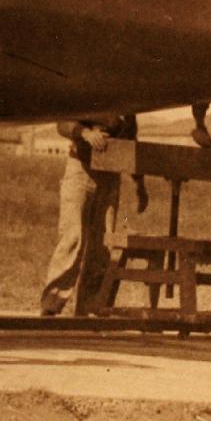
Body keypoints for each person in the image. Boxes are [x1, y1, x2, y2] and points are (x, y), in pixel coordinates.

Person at [38, 113, 147, 316]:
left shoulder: (129, 110)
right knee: (73, 238)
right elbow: (63, 122)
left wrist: (139, 184)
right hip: (80, 171)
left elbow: (131, 143)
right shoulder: (95, 93)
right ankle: (52, 304)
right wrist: (85, 132)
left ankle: (89, 307)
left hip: (110, 178)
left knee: (103, 246)